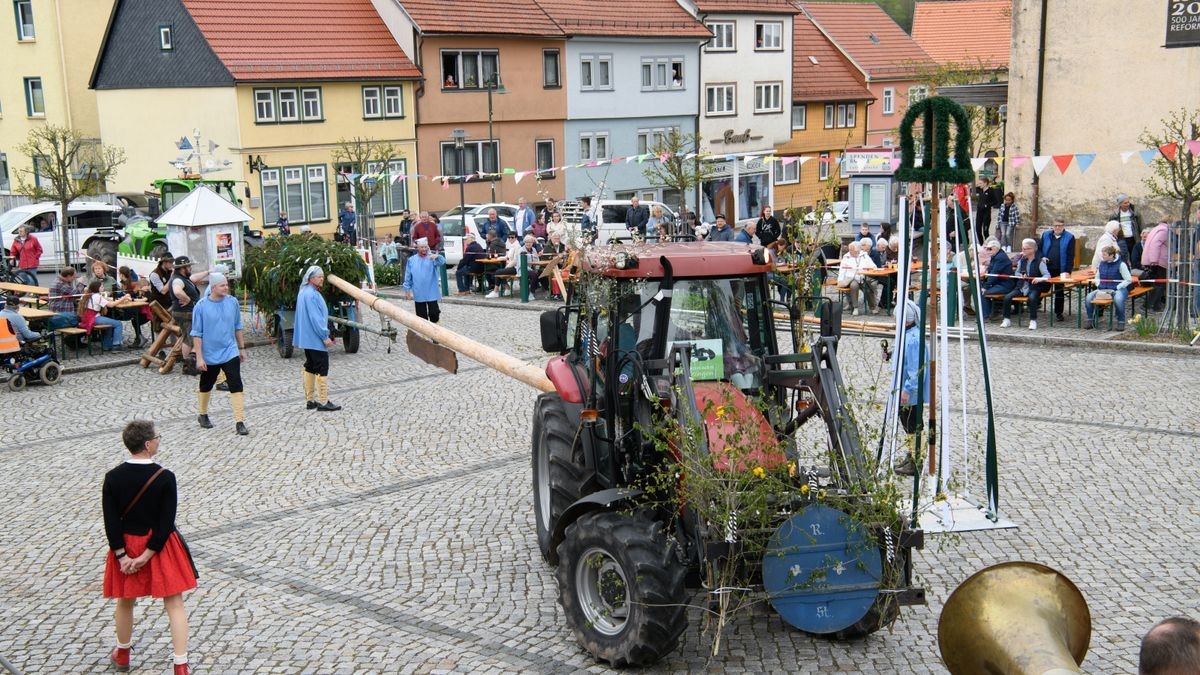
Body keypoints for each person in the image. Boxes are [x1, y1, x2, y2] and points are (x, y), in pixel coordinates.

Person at [102, 420, 197, 675]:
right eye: (158, 437)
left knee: (125, 602)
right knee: (174, 604)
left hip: (127, 545)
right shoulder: (165, 477)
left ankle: (122, 654)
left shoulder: (112, 477)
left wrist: (122, 555)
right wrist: (148, 554)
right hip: (160, 547)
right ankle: (180, 665)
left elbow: (111, 522)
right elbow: (165, 523)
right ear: (147, 444)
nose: (159, 440)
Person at [190, 272, 248, 435]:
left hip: (230, 350)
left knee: (236, 384)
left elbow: (237, 326)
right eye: (222, 285)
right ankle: (202, 414)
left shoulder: (233, 302)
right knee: (206, 384)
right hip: (209, 353)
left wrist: (241, 348)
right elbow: (196, 334)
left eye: (226, 284)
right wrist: (200, 357)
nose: (226, 287)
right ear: (213, 287)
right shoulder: (201, 306)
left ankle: (239, 421)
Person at [294, 266, 341, 412]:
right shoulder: (311, 295)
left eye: (322, 276)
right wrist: (324, 336)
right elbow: (316, 318)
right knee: (321, 367)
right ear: (311, 278)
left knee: (310, 366)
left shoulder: (304, 292)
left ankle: (310, 401)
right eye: (319, 276)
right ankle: (323, 401)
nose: (322, 278)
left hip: (307, 338)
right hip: (315, 339)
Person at [894, 298, 928, 476]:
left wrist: (907, 390)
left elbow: (916, 368)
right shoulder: (908, 335)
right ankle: (912, 455)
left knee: (913, 425)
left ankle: (917, 461)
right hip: (905, 389)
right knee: (908, 424)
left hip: (911, 393)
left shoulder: (914, 339)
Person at [1000, 239, 1051, 329]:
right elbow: (1016, 273)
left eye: (1026, 249)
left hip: (1034, 287)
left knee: (1032, 299)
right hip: (1021, 286)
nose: (1023, 251)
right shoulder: (1021, 261)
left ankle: (1033, 320)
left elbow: (1047, 275)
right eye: (1023, 248)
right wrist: (1021, 276)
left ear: (1033, 249)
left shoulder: (1040, 262)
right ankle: (1006, 319)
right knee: (1007, 297)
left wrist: (1039, 279)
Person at [170, 256, 210, 370]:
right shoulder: (178, 280)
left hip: (186, 312)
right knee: (190, 339)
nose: (190, 268)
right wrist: (187, 299)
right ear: (183, 268)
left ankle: (189, 363)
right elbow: (177, 291)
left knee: (188, 338)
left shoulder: (183, 278)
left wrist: (208, 272)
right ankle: (189, 364)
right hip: (185, 313)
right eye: (189, 266)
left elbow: (194, 277)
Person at [1084, 245, 1132, 331]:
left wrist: (1118, 286)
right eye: (1102, 254)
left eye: (1104, 255)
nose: (1102, 256)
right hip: (1103, 288)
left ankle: (1121, 321)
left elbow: (1128, 280)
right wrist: (1098, 284)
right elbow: (1097, 277)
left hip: (1118, 289)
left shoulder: (1121, 264)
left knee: (1118, 299)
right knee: (1088, 298)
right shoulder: (1101, 264)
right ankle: (1090, 319)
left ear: (1111, 255)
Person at [1038, 218, 1075, 322]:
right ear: (1052, 226)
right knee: (1042, 287)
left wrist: (1068, 270)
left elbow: (1071, 255)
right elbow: (1039, 249)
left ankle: (1058, 313)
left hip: (1061, 269)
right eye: (1055, 225)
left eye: (1060, 225)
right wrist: (1042, 257)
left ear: (1063, 226)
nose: (1057, 227)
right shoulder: (1046, 235)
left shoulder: (1069, 237)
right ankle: (1035, 304)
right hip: (1047, 268)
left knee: (1059, 292)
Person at [79, 280, 133, 351]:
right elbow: (111, 305)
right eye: (101, 286)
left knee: (109, 325)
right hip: (94, 318)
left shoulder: (89, 295)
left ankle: (106, 345)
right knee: (118, 323)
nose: (103, 287)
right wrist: (124, 298)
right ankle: (116, 345)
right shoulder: (97, 296)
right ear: (97, 288)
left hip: (87, 318)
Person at [403, 237, 445, 322]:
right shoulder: (412, 260)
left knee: (434, 313)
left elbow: (442, 261)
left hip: (431, 291)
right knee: (421, 316)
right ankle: (424, 333)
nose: (424, 249)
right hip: (419, 291)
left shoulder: (432, 258)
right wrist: (407, 290)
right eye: (422, 247)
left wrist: (437, 256)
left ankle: (435, 330)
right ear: (417, 248)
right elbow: (408, 276)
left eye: (425, 247)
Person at [837, 241, 878, 316]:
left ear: (859, 250)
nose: (851, 252)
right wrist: (840, 280)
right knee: (854, 286)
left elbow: (873, 266)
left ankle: (873, 307)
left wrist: (867, 270)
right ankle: (855, 308)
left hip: (863, 277)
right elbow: (842, 270)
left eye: (853, 251)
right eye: (850, 250)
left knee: (868, 288)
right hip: (851, 278)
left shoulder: (864, 256)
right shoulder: (846, 257)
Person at [979, 240, 1015, 319]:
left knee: (983, 293)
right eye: (987, 249)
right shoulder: (995, 256)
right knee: (978, 288)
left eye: (989, 249)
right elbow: (991, 270)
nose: (987, 251)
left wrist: (986, 287)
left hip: (1005, 284)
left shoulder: (1000, 257)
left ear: (995, 248)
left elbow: (994, 273)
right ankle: (994, 310)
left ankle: (986, 316)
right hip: (998, 282)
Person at [119, 266, 152, 349]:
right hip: (141, 312)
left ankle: (140, 338)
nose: (142, 288)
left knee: (135, 318)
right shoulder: (139, 292)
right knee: (134, 319)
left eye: (144, 286)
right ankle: (139, 338)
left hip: (148, 314)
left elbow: (144, 300)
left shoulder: (148, 293)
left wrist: (133, 299)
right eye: (141, 286)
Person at [1141, 220, 1170, 312]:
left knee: (1158, 284)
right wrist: (1154, 260)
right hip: (1159, 261)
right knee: (1160, 284)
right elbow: (1155, 244)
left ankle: (1156, 305)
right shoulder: (1164, 231)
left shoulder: (1156, 229)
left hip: (1155, 260)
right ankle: (1148, 305)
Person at [972, 177, 1000, 242]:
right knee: (978, 230)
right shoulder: (979, 190)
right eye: (979, 183)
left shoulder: (991, 191)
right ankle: (981, 244)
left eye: (980, 183)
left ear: (985, 183)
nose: (979, 184)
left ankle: (987, 244)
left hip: (986, 213)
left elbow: (995, 201)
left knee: (985, 231)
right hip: (979, 213)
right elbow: (969, 190)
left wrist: (986, 205)